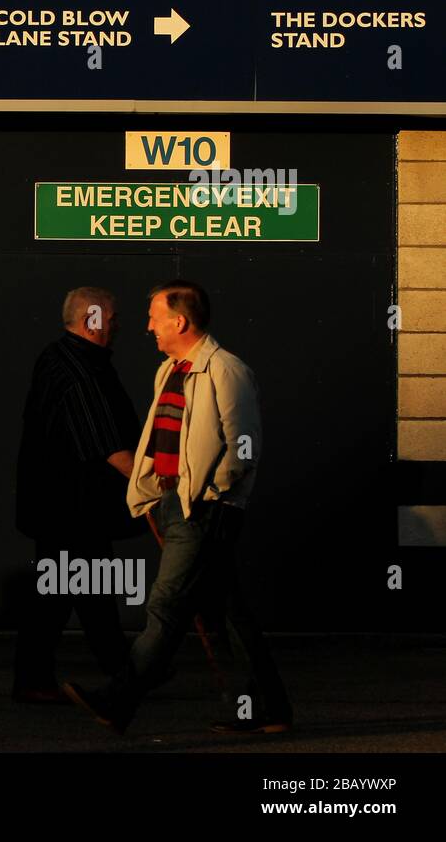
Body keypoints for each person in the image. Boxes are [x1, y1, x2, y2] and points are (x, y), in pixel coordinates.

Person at [64, 280, 292, 735]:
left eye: (154, 317)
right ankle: (268, 710)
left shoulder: (226, 371)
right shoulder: (170, 369)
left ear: (180, 321)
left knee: (166, 606)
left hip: (205, 509)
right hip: (174, 503)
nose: (148, 326)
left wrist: (209, 490)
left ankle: (118, 700)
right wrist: (154, 488)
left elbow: (244, 445)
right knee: (226, 611)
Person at [12, 288, 139, 702]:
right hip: (72, 507)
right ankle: (37, 679)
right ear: (94, 320)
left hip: (64, 505)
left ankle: (122, 669)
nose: (118, 325)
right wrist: (154, 487)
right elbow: (109, 446)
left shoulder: (59, 357)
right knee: (62, 591)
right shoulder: (80, 369)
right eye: (113, 317)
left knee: (87, 589)